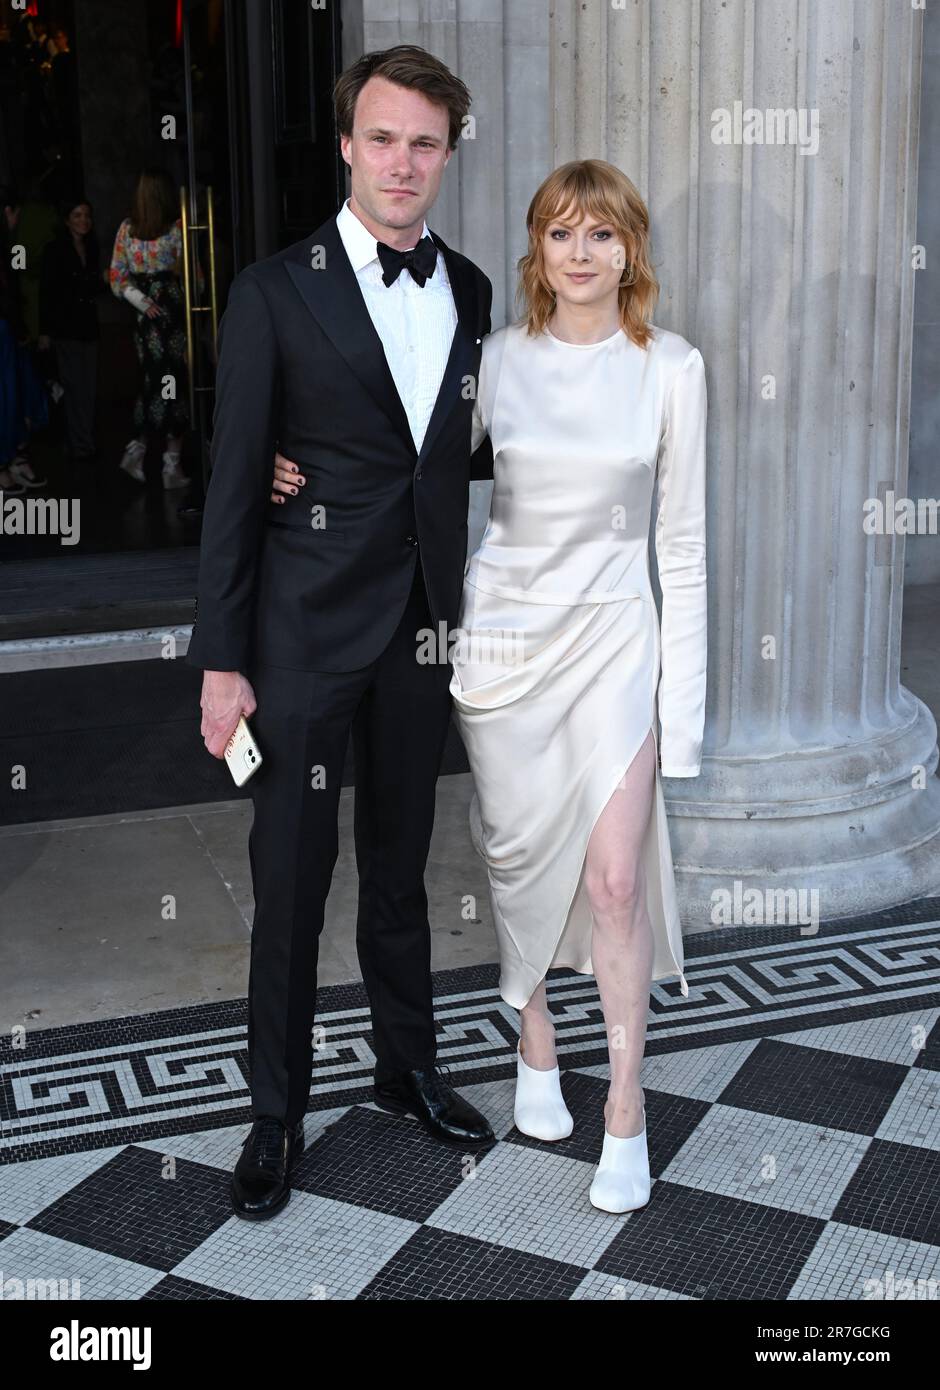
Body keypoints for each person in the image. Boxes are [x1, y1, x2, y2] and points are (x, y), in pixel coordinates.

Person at [272, 159, 708, 1217]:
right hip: (505, 650)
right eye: (561, 232)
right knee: (516, 869)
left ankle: (626, 1111)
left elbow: (683, 549)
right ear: (537, 250)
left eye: (602, 234)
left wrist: (680, 720)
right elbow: (401, 457)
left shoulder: (671, 368)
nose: (580, 253)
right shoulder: (496, 358)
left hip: (613, 647)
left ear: (630, 251)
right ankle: (535, 1039)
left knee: (611, 881)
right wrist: (281, 461)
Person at [187, 45, 497, 1222]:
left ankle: (406, 1065)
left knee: (404, 866)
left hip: (420, 631)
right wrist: (222, 661)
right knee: (291, 877)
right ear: (347, 146)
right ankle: (276, 1108)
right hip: (302, 636)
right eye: (382, 137)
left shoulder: (468, 290)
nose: (402, 160)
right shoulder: (274, 289)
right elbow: (229, 493)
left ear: (447, 153)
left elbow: (459, 454)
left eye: (424, 141)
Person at [109, 168, 191, 489]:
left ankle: (139, 450)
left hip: (146, 316)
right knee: (175, 381)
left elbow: (116, 275)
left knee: (153, 379)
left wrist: (141, 301)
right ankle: (169, 462)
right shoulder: (177, 228)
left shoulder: (127, 229)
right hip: (171, 311)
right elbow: (193, 275)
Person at [39, 196, 105, 463]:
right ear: (67, 220)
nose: (83, 221)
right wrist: (45, 331)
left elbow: (92, 288)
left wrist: (105, 280)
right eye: (77, 215)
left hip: (88, 326)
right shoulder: (54, 249)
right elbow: (47, 292)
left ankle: (84, 441)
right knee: (73, 387)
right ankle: (78, 444)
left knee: (88, 388)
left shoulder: (92, 247)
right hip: (65, 328)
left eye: (87, 215)